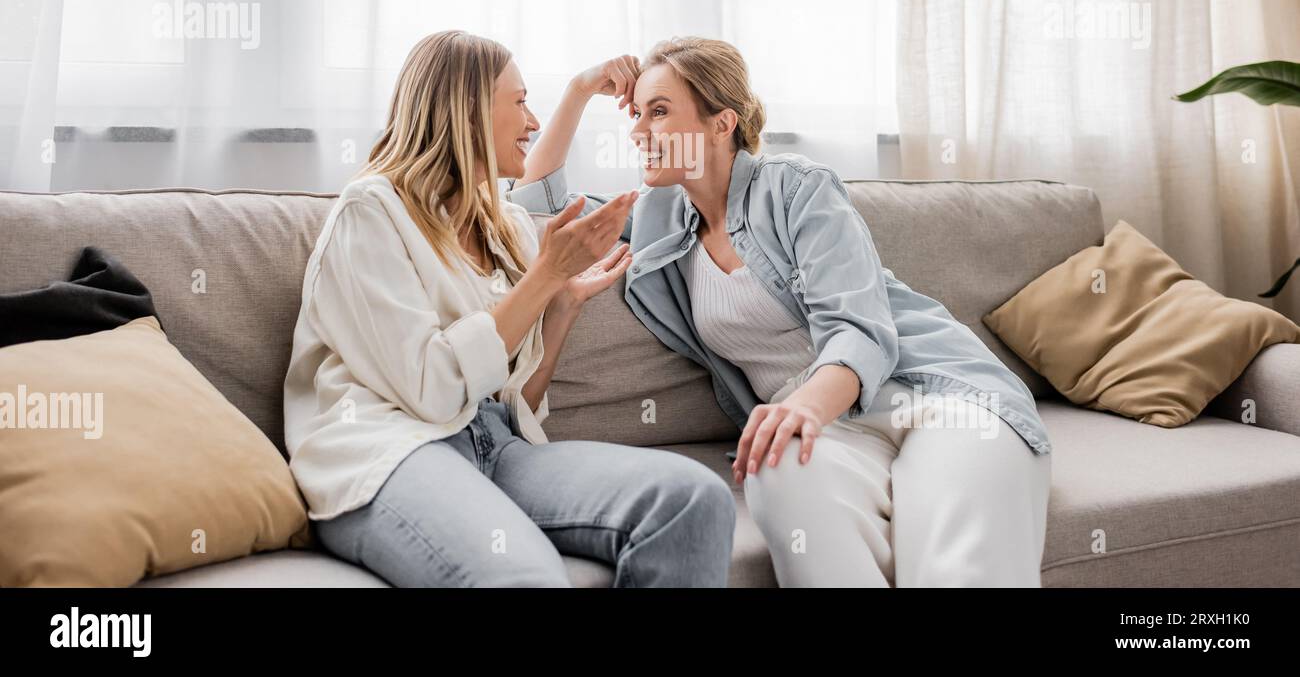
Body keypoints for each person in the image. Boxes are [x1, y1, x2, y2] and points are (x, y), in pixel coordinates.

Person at [507, 36, 1053, 587]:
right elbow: (536, 206)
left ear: (721, 124)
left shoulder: (795, 188)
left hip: (933, 393)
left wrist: (804, 407)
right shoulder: (657, 218)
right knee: (777, 471)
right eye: (638, 113)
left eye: (660, 112)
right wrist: (579, 90)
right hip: (828, 429)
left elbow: (859, 329)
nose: (637, 131)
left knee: (952, 567)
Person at [283, 30, 736, 587]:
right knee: (523, 577)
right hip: (390, 453)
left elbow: (519, 400)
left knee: (693, 502)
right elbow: (432, 392)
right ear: (468, 109)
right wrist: (545, 275)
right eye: (519, 102)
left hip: (496, 443)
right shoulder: (370, 212)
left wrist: (560, 304)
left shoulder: (507, 224)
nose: (533, 121)